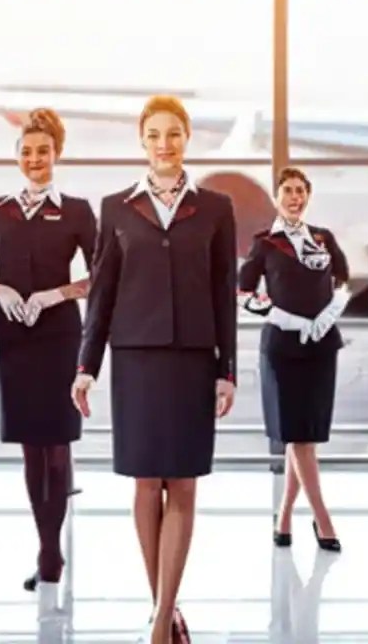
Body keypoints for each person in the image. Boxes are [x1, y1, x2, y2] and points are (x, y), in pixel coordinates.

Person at [71, 95, 236, 644]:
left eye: (174, 134)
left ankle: (162, 621)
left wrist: (226, 369)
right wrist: (85, 365)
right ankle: (162, 609)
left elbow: (222, 295)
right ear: (142, 142)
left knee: (183, 484)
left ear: (188, 138)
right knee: (146, 483)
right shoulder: (117, 207)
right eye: (154, 135)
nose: (164, 144)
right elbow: (103, 291)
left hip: (193, 357)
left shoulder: (215, 207)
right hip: (136, 357)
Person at [0, 108, 97, 591]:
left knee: (57, 442)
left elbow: (104, 271)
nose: (35, 159)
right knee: (29, 446)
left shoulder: (78, 210)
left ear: (56, 154)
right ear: (17, 156)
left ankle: (50, 551)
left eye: (43, 151)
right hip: (13, 336)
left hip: (60, 333)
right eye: (26, 152)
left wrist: (55, 294)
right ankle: (45, 544)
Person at [237, 167, 349, 552]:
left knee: (306, 437)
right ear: (276, 196)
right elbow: (244, 292)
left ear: (308, 195)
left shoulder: (323, 238)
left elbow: (344, 281)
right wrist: (285, 318)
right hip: (283, 348)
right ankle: (324, 521)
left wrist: (326, 318)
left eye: (300, 191)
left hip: (321, 345)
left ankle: (283, 517)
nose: (294, 197)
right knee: (298, 436)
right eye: (287, 190)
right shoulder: (265, 243)